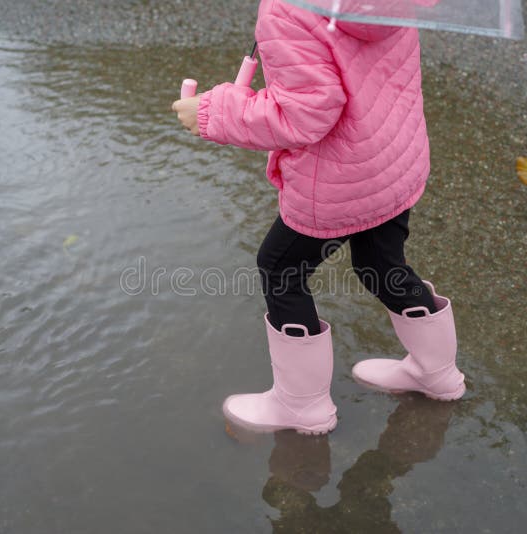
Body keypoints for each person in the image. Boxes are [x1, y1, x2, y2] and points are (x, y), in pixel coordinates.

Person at [172, 0, 465, 435]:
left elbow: (306, 113)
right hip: (391, 160)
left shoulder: (290, 8)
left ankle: (301, 407)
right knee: (381, 264)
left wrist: (214, 113)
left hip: (336, 181)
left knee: (282, 268)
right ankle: (437, 374)